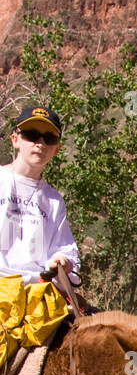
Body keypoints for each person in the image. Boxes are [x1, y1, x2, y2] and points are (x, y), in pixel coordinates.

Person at [1, 106, 81, 289]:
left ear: (57, 149)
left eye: (49, 138)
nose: (40, 143)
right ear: (15, 140)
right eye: (31, 134)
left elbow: (64, 250)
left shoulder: (54, 201)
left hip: (37, 291)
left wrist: (63, 261)